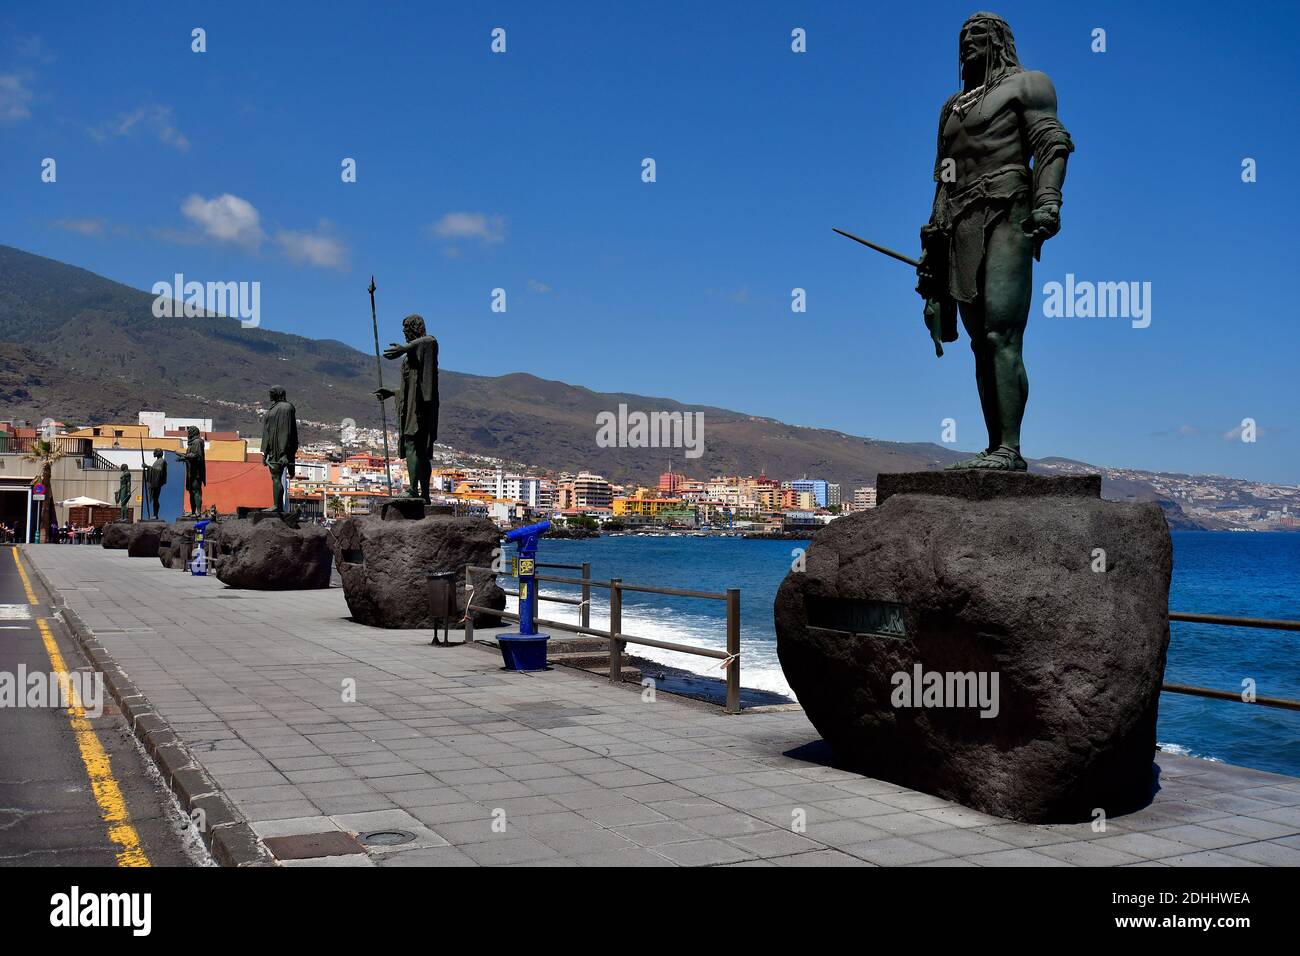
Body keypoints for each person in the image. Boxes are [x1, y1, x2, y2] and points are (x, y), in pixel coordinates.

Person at [915, 11, 1072, 471]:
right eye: (962, 36)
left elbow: (1051, 144)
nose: (968, 43)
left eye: (979, 35)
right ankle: (995, 447)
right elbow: (943, 179)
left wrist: (1049, 201)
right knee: (978, 343)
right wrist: (932, 254)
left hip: (1009, 211)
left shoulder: (1029, 85)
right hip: (959, 224)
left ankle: (1010, 449)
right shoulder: (953, 107)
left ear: (1000, 41)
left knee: (1000, 332)